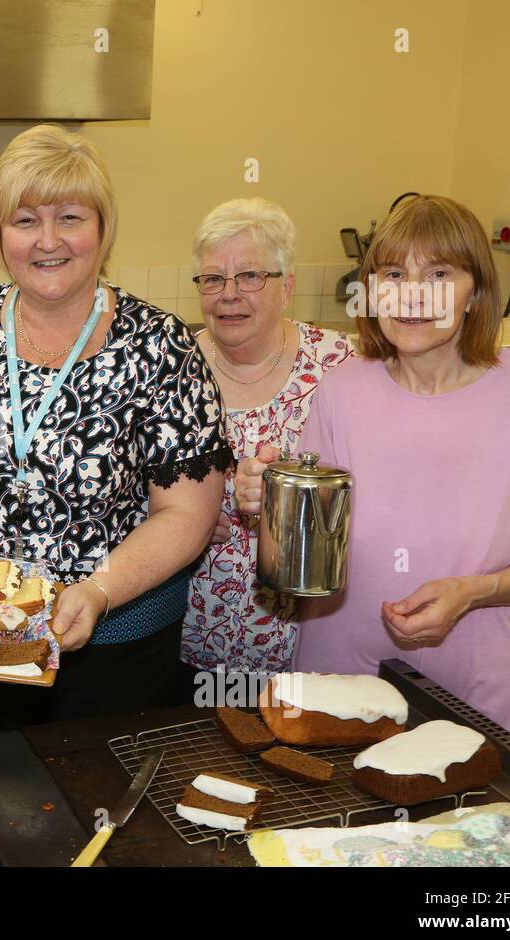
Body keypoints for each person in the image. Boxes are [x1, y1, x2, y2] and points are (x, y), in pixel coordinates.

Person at [0, 125, 232, 728]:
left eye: (69, 218)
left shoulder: (158, 345)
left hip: (113, 645)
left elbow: (187, 515)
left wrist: (97, 590)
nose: (48, 241)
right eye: (24, 221)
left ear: (102, 229)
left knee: (103, 810)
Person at [235, 195, 510, 749]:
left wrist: (475, 591)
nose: (413, 295)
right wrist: (270, 500)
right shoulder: (341, 390)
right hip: (343, 681)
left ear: (476, 294)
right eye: (394, 273)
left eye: (440, 274)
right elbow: (304, 548)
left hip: (482, 688)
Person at [180, 198, 352, 700]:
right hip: (190, 636)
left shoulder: (341, 365)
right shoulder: (173, 366)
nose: (229, 295)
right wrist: (178, 517)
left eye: (250, 276)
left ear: (288, 286)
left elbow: (380, 488)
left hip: (310, 641)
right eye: (213, 279)